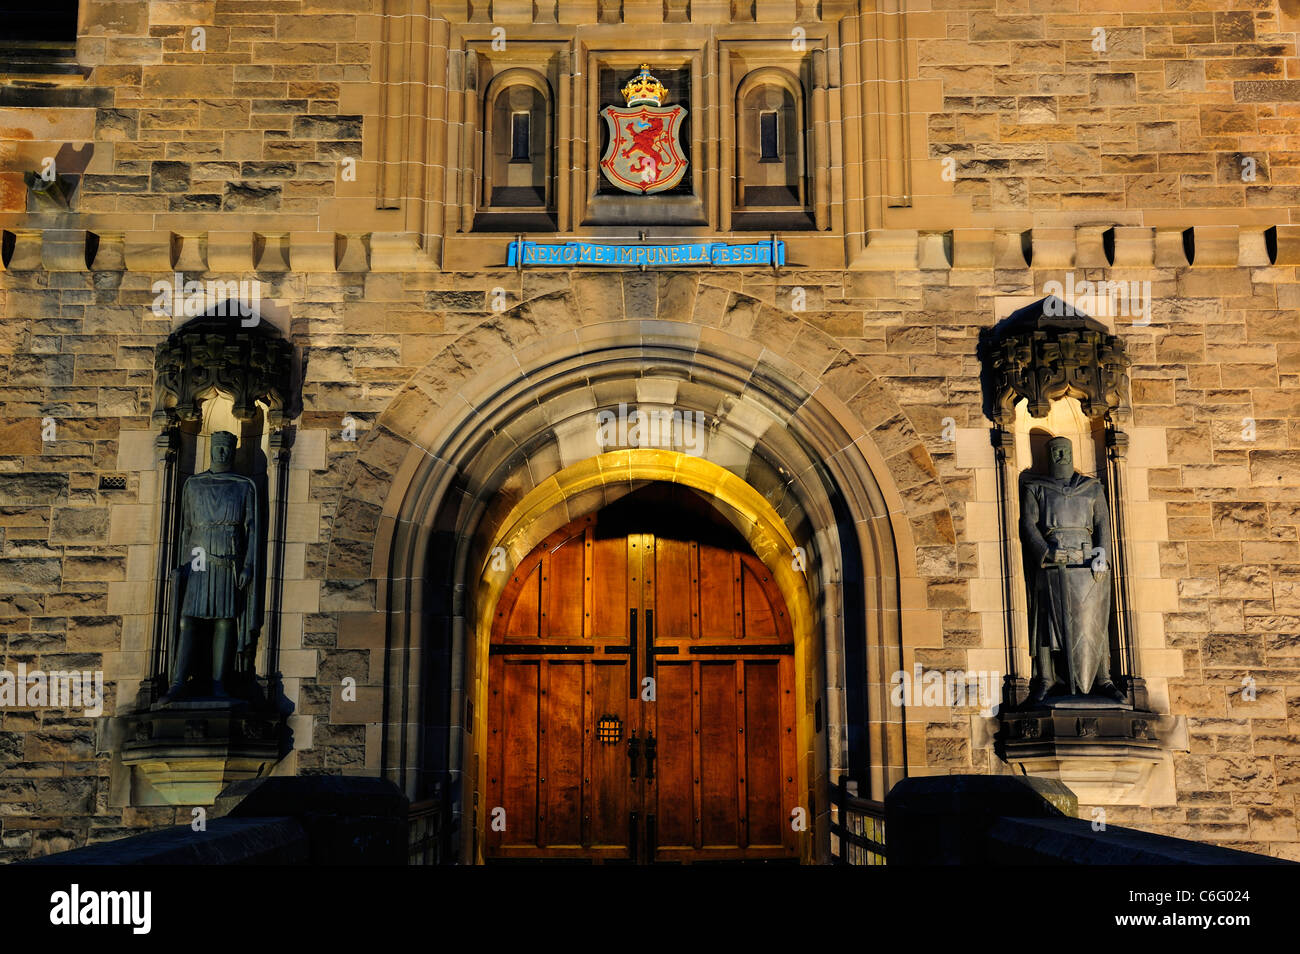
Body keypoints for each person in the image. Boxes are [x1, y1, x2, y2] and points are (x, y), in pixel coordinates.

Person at [1020, 436, 1126, 705]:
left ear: (1071, 452)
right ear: (1048, 456)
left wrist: (1102, 555)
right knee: (1046, 620)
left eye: (1064, 451)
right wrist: (1046, 551)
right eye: (1055, 452)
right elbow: (1029, 525)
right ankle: (1046, 678)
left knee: (1096, 620)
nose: (1060, 457)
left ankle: (1103, 678)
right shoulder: (1036, 488)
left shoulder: (1091, 488)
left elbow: (1103, 524)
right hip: (1054, 562)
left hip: (1088, 563)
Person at [161, 431, 259, 702]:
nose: (221, 453)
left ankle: (219, 683)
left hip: (228, 561)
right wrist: (182, 566)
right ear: (211, 450)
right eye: (217, 448)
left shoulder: (243, 486)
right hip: (199, 558)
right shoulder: (193, 485)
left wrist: (248, 565)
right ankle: (178, 682)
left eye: (227, 449)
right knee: (187, 620)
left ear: (233, 452)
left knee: (225, 622)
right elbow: (186, 528)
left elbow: (251, 531)